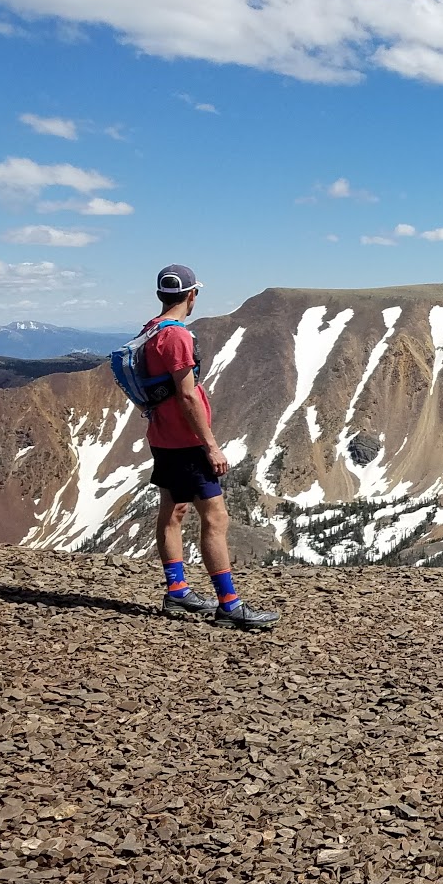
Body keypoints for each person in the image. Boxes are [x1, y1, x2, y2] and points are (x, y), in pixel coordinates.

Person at [141, 264, 279, 631]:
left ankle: (177, 591)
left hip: (162, 436)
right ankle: (229, 605)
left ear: (160, 295)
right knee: (215, 518)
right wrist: (211, 446)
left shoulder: (150, 331)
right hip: (186, 441)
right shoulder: (176, 336)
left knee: (173, 510)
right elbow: (187, 396)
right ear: (191, 295)